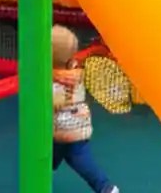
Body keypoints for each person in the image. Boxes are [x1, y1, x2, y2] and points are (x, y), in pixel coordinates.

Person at [51, 25, 119, 193]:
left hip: (62, 128)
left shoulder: (57, 82)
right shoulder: (74, 68)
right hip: (80, 125)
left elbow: (52, 102)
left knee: (48, 157)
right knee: (79, 158)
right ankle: (106, 187)